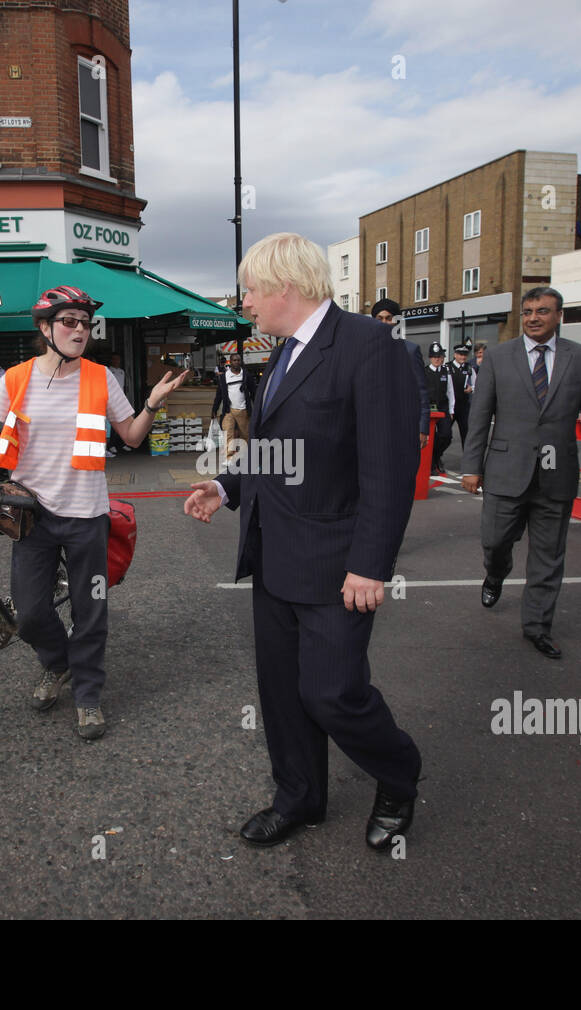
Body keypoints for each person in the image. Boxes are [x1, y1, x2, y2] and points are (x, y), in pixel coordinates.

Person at [184, 233, 422, 852]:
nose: (246, 302)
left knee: (333, 694)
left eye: (252, 289)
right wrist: (226, 485)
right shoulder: (283, 353)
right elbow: (275, 449)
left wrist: (371, 565)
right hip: (273, 557)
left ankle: (399, 775)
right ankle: (299, 799)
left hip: (337, 565)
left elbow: (389, 469)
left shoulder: (370, 347)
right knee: (285, 697)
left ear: (285, 285)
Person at [0, 286, 188, 740]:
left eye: (85, 323)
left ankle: (88, 694)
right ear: (45, 328)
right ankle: (58, 664)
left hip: (86, 515)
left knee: (90, 609)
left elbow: (131, 436)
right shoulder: (18, 378)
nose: (80, 330)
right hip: (30, 512)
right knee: (29, 613)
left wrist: (152, 402)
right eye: (69, 321)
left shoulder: (100, 378)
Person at [461, 287, 581, 659]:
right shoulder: (499, 357)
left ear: (559, 316)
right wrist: (472, 466)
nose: (534, 317)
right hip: (505, 472)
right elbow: (480, 415)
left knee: (548, 557)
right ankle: (495, 573)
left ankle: (537, 626)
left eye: (543, 311)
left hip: (557, 475)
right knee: (495, 541)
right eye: (528, 311)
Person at [373, 298, 430, 450]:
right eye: (379, 318)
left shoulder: (410, 350)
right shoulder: (364, 351)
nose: (384, 322)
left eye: (388, 318)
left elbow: (421, 392)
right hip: (372, 426)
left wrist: (423, 427)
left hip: (402, 426)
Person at [211, 351, 256, 456]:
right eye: (234, 360)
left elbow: (254, 392)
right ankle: (229, 457)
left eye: (238, 360)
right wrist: (214, 409)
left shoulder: (246, 375)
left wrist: (257, 407)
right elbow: (219, 395)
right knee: (228, 433)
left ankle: (245, 456)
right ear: (230, 362)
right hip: (228, 410)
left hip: (243, 410)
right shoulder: (224, 377)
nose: (237, 362)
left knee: (245, 434)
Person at [424, 342, 455, 475]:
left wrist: (452, 409)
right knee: (430, 437)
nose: (437, 359)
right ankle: (431, 462)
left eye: (439, 356)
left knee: (446, 435)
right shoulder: (424, 371)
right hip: (429, 407)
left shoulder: (446, 372)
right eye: (434, 356)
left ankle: (436, 456)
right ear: (430, 358)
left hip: (442, 407)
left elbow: (450, 392)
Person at [449, 343, 473, 453]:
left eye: (465, 355)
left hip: (464, 406)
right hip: (450, 406)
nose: (463, 357)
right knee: (444, 434)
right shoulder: (447, 367)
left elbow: (476, 385)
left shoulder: (469, 368)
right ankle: (436, 458)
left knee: (467, 435)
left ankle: (468, 461)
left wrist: (471, 388)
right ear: (455, 355)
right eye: (460, 354)